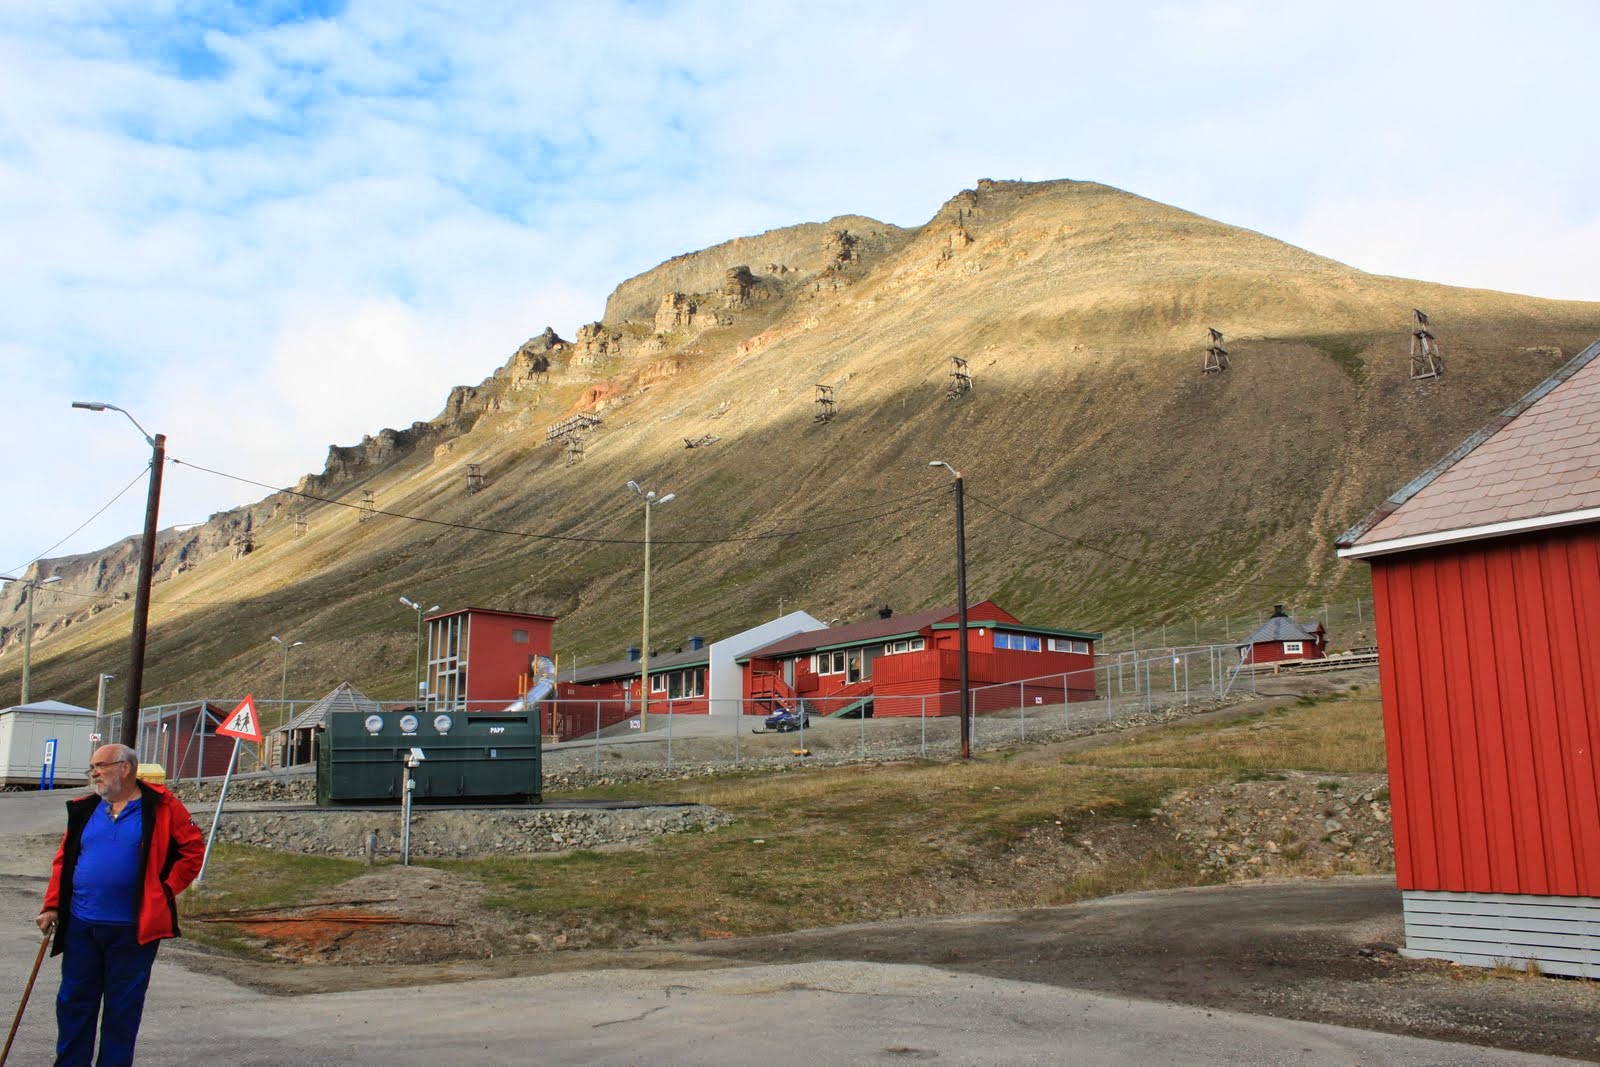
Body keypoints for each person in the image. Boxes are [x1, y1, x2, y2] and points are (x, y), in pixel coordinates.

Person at [35, 744, 205, 1066]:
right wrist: (52, 905)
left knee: (122, 1011)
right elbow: (64, 861)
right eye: (92, 767)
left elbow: (192, 851)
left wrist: (163, 888)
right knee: (73, 1004)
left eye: (100, 766)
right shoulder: (85, 809)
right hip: (82, 926)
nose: (94, 773)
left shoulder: (162, 806)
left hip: (132, 930)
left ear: (124, 769)